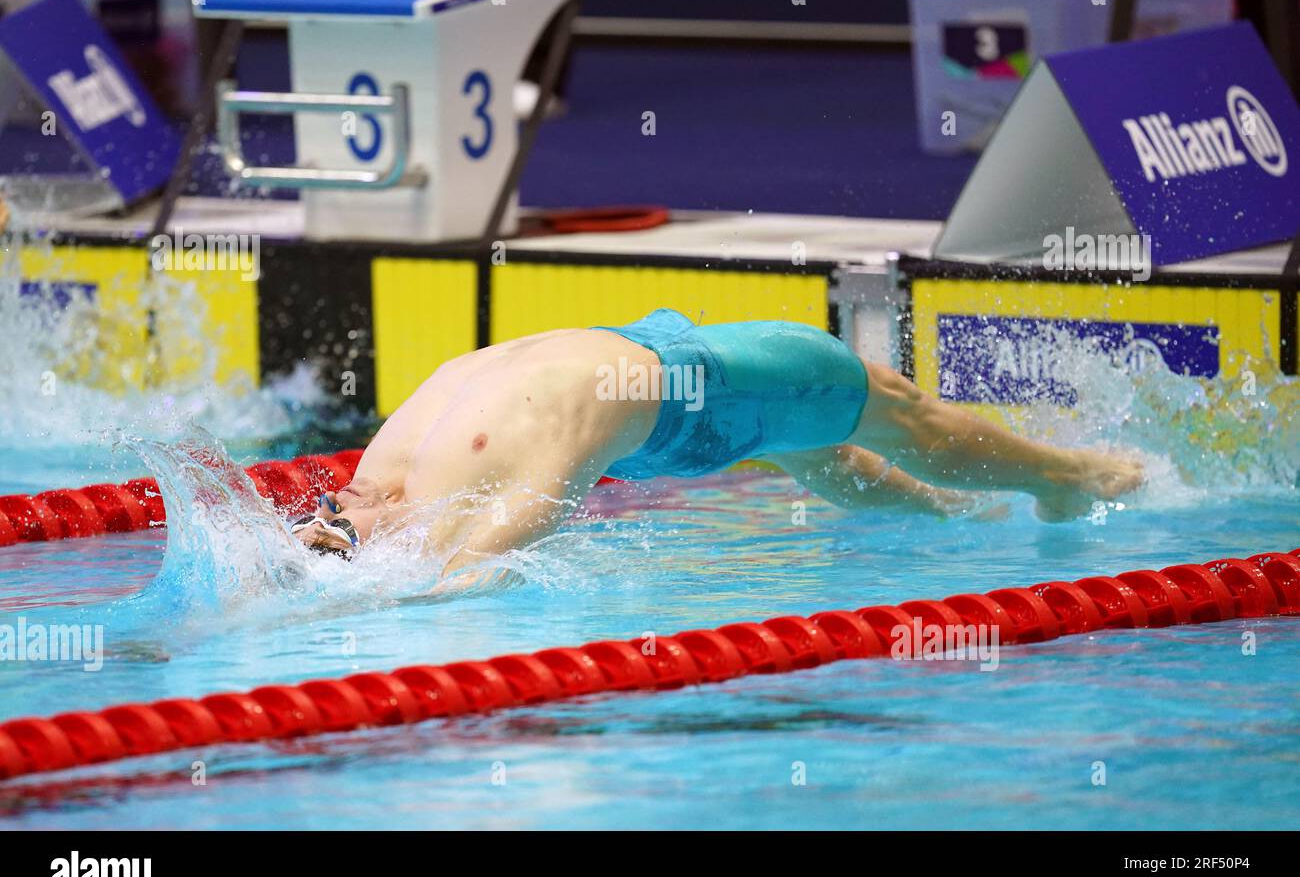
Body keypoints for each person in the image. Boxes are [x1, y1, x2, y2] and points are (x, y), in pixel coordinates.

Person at [292, 309, 1143, 573]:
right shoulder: (381, 471)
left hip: (697, 386)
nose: (337, 515)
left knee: (899, 415)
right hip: (640, 391)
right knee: (816, 450)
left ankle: (1066, 474)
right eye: (333, 527)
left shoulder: (481, 474)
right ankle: (952, 512)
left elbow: (472, 573)